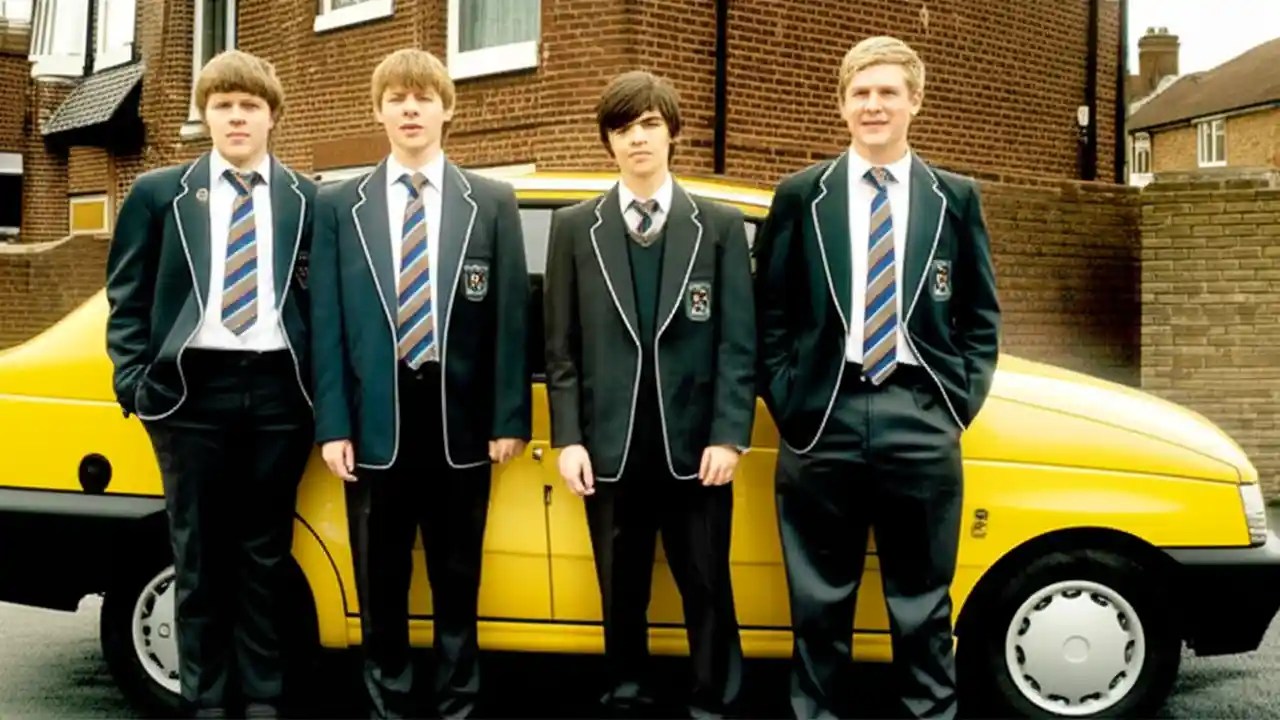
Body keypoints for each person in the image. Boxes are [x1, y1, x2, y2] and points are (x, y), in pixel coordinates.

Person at [752, 36, 1001, 720]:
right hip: (821, 418)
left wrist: (955, 404)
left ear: (914, 101)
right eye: (860, 93)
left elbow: (980, 316)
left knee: (922, 600)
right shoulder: (802, 196)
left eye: (888, 91)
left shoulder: (955, 197)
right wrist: (791, 400)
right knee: (818, 600)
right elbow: (769, 312)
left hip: (919, 413)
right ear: (841, 105)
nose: (873, 104)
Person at [308, 48, 531, 719]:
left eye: (424, 97)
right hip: (375, 424)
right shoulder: (339, 204)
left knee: (458, 580)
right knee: (381, 584)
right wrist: (334, 424)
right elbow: (328, 324)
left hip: (459, 424)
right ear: (379, 110)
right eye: (397, 98)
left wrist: (509, 417)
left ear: (446, 109)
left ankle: (458, 706)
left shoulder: (490, 200)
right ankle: (390, 705)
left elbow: (510, 317)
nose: (410, 109)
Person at [104, 49, 317, 718]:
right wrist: (137, 384)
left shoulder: (309, 198)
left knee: (264, 556)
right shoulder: (160, 194)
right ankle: (206, 699)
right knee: (198, 560)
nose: (236, 118)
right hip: (190, 397)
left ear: (271, 117)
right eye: (223, 106)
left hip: (281, 395)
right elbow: (127, 294)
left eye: (249, 106)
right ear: (206, 114)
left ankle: (262, 699)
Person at [543, 70, 756, 718]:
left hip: (695, 447)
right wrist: (569, 438)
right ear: (608, 142)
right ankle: (625, 690)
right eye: (623, 127)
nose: (637, 138)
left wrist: (729, 433)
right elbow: (562, 347)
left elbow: (737, 344)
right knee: (620, 584)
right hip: (608, 445)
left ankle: (714, 698)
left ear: (672, 134)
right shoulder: (574, 228)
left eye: (650, 125)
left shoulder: (716, 227)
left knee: (705, 583)